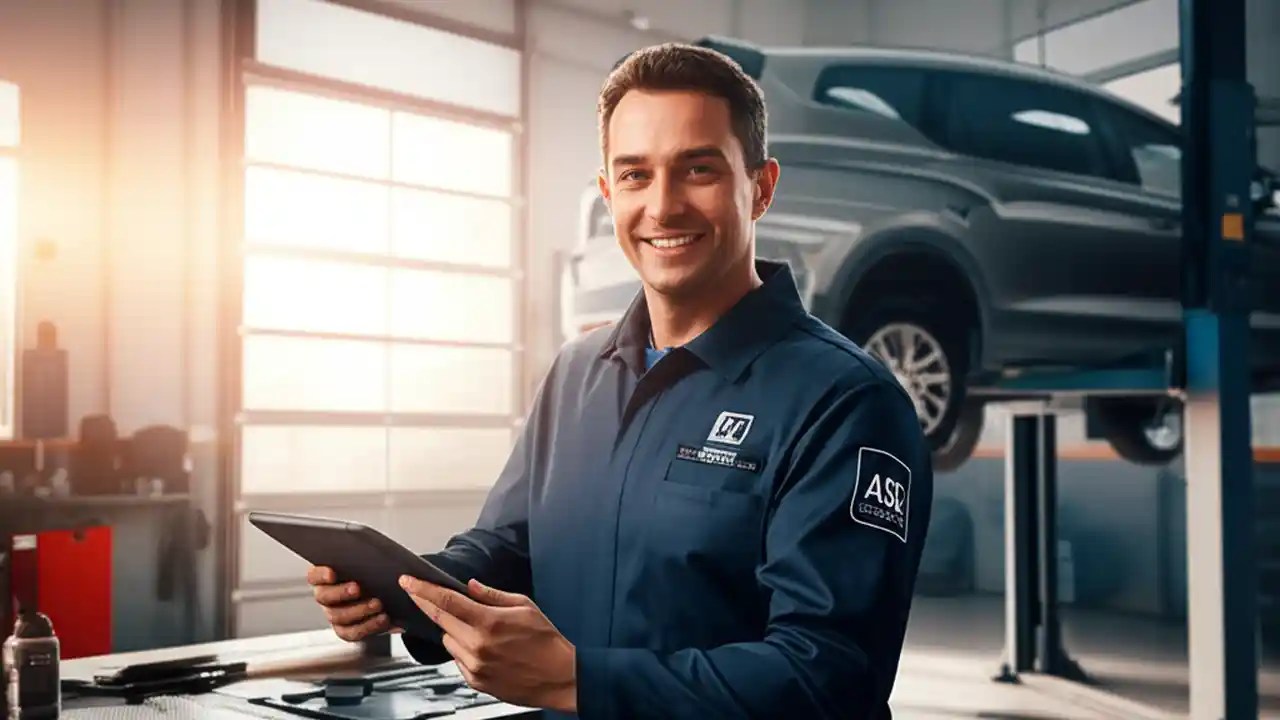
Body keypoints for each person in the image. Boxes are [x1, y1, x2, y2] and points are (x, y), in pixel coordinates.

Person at [307, 42, 933, 719]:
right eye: (635, 175)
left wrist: (579, 680)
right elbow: (507, 549)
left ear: (760, 187)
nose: (663, 208)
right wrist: (404, 590)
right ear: (608, 194)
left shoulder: (845, 404)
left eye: (698, 170)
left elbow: (829, 677)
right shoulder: (578, 374)